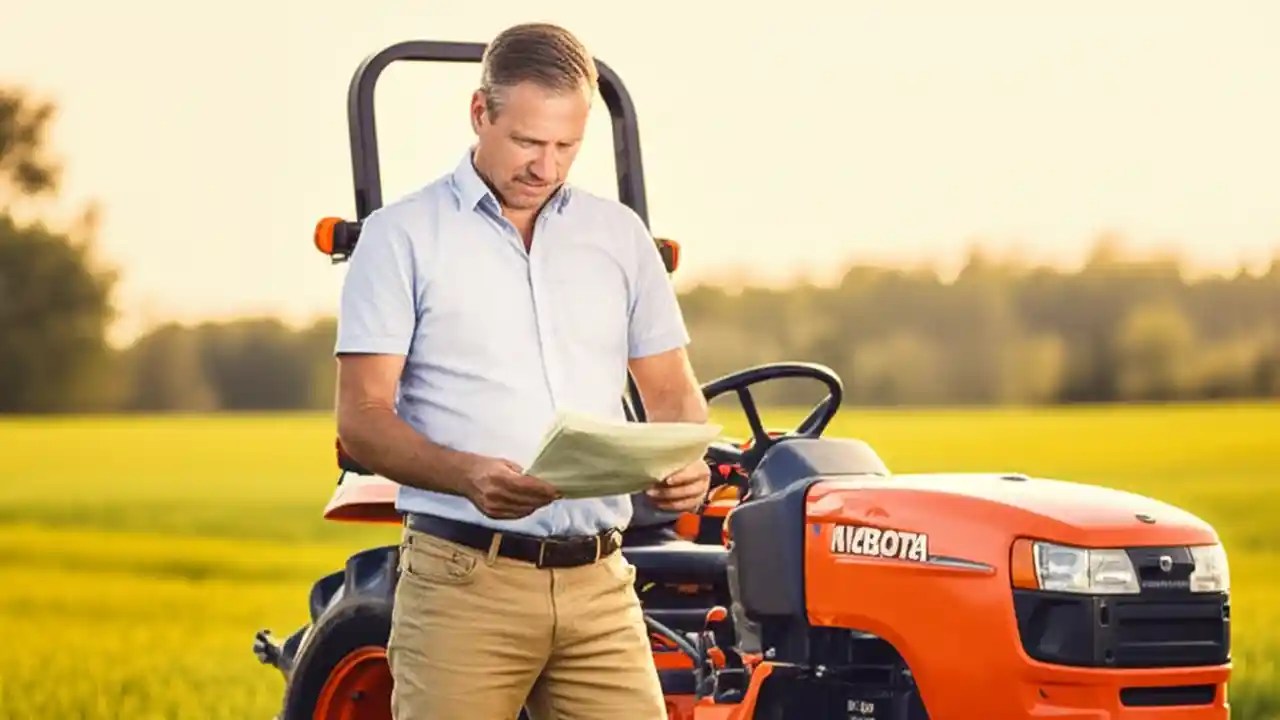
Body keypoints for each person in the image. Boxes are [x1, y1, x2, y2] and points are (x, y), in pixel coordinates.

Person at [332, 21, 711, 720]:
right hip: (463, 583)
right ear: (481, 113)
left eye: (567, 146)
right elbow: (361, 423)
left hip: (601, 585)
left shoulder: (619, 236)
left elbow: (673, 394)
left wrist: (688, 458)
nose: (547, 166)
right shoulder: (402, 236)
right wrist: (468, 475)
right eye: (529, 142)